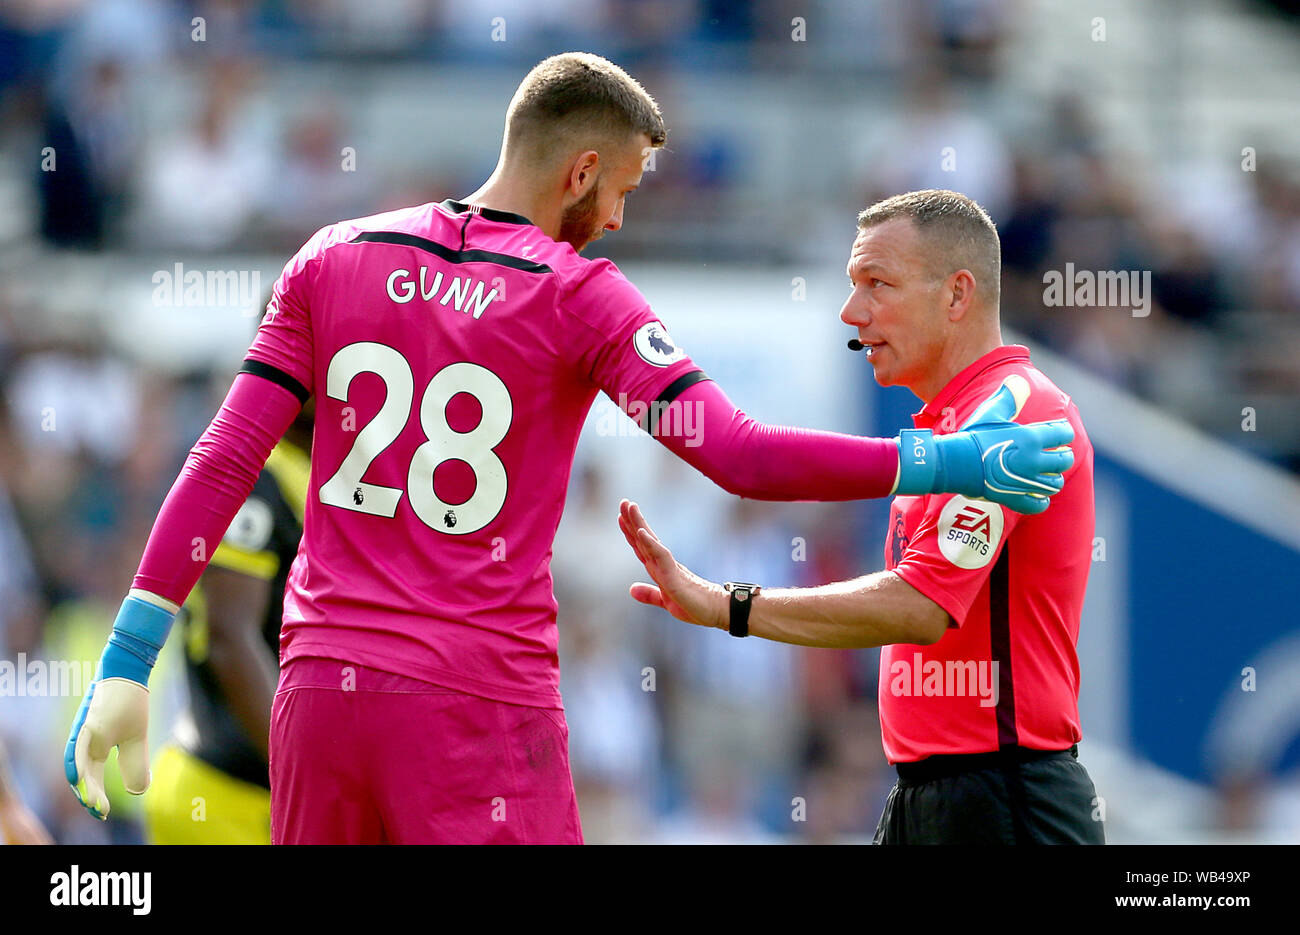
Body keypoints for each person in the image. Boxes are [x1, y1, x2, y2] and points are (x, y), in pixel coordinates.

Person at [65, 57, 1073, 845]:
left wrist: (127, 657)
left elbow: (222, 456)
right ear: (582, 169)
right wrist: (938, 463)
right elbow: (738, 454)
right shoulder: (575, 296)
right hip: (472, 700)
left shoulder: (333, 257)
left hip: (321, 691)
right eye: (624, 188)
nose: (620, 219)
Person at [617, 189, 1104, 845]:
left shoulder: (1010, 417)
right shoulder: (950, 433)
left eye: (878, 283)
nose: (852, 311)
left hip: (1002, 801)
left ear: (957, 296)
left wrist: (727, 605)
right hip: (932, 794)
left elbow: (919, 605)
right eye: (852, 285)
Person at [143, 397, 312, 844]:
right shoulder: (261, 474)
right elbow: (229, 638)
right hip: (227, 799)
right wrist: (315, 783)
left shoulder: (320, 471)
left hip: (262, 801)